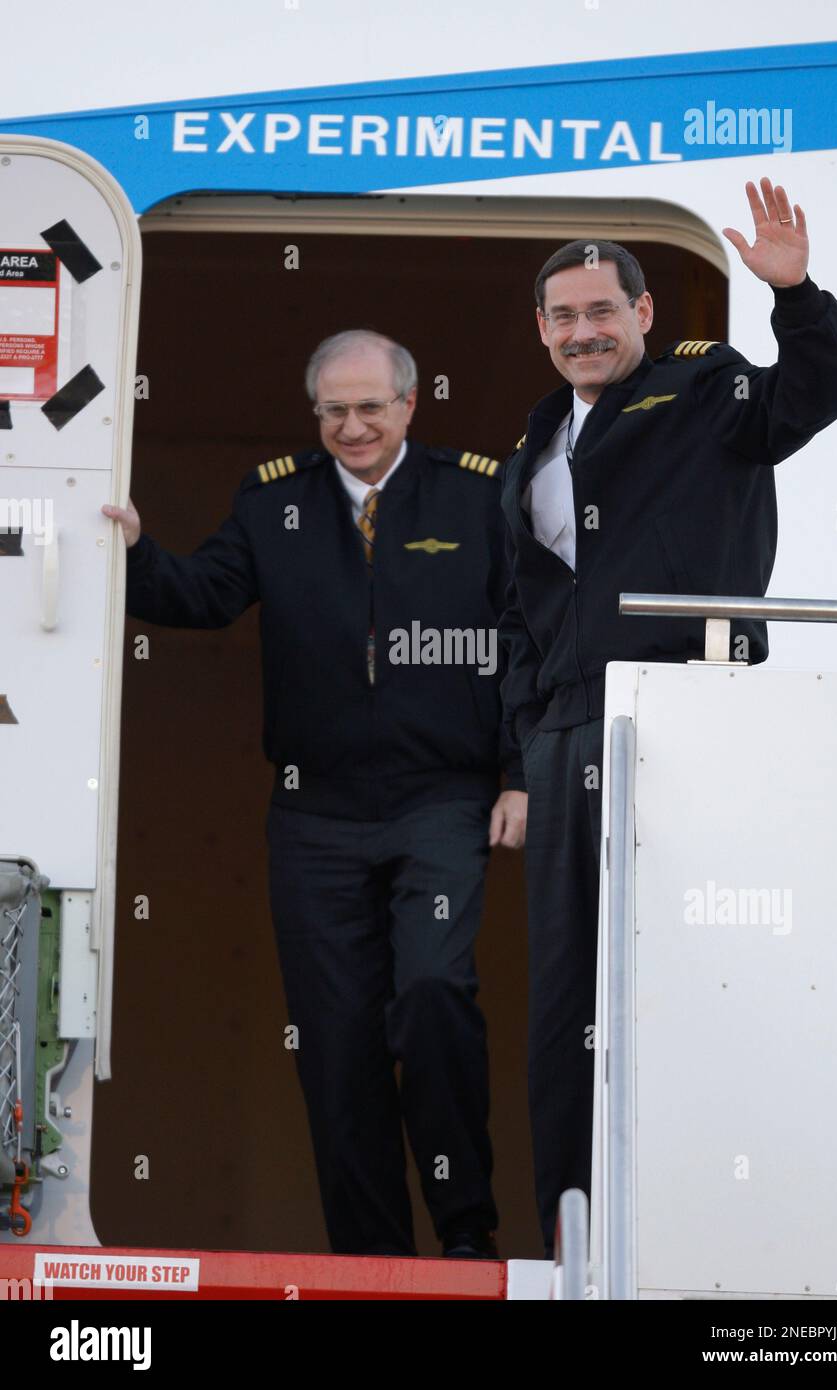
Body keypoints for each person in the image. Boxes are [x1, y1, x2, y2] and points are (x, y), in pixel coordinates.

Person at [104, 329, 527, 1258]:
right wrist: (133, 550)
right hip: (314, 814)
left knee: (430, 991)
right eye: (334, 410)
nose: (352, 426)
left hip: (442, 800)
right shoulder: (273, 502)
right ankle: (372, 1263)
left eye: (371, 406)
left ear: (411, 405)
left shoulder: (477, 492)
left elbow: (527, 637)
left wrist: (521, 774)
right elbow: (203, 596)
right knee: (336, 1049)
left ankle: (465, 1231)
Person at [498, 178, 837, 1255]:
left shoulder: (707, 389)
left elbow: (816, 393)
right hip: (566, 738)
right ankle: (570, 1235)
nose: (582, 331)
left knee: (696, 977)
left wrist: (794, 296)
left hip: (690, 726)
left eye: (602, 310)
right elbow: (521, 615)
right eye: (562, 316)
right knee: (564, 998)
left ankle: (704, 1237)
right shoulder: (528, 445)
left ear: (643, 315)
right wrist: (519, 756)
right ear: (540, 331)